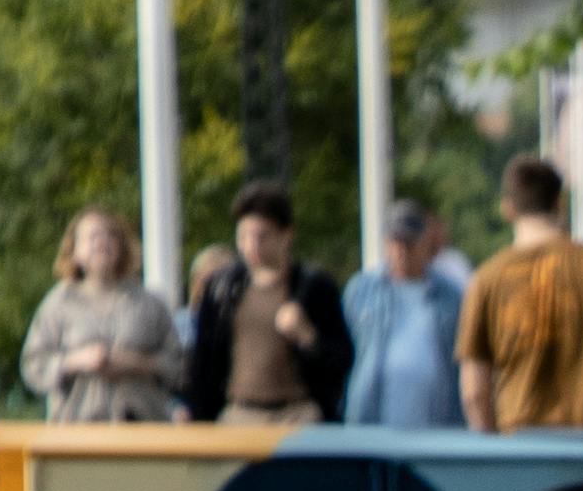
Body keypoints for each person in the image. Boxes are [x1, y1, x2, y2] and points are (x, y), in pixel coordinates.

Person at [459, 150, 583, 432]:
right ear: (559, 203)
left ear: (507, 209)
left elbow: (473, 393)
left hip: (522, 446)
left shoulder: (485, 279)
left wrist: (494, 450)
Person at [180, 179, 350, 427]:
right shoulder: (220, 289)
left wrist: (306, 335)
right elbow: (203, 361)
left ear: (286, 235)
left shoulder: (315, 288)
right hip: (238, 413)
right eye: (244, 236)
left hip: (298, 413)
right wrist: (196, 412)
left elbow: (341, 359)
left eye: (262, 237)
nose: (251, 246)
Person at [20, 206, 185, 429]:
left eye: (110, 235)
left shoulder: (149, 304)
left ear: (122, 246)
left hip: (143, 428)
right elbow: (33, 364)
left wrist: (137, 363)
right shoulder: (58, 304)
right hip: (77, 429)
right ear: (74, 251)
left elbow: (178, 364)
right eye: (92, 237)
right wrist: (76, 360)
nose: (102, 242)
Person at [341, 198, 469, 432]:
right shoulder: (361, 291)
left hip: (437, 420)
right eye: (395, 241)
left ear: (424, 242)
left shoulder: (450, 297)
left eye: (408, 242)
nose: (401, 250)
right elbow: (344, 349)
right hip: (373, 419)